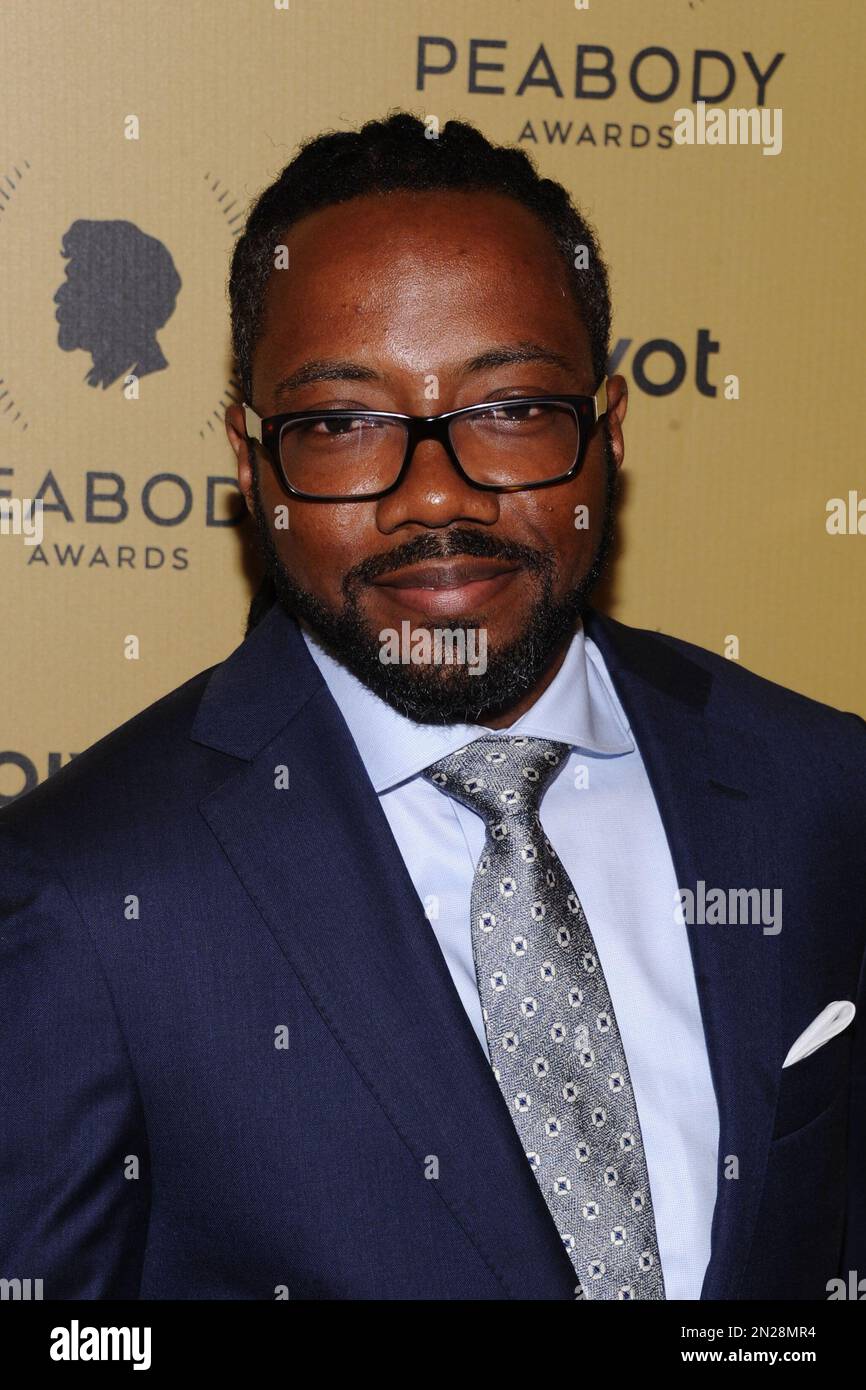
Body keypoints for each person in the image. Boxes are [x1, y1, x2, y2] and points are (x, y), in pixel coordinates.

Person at [1, 112, 864, 1302]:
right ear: (249, 468)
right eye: (343, 425)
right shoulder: (88, 895)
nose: (436, 492)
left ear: (608, 430)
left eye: (508, 408)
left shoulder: (819, 791)